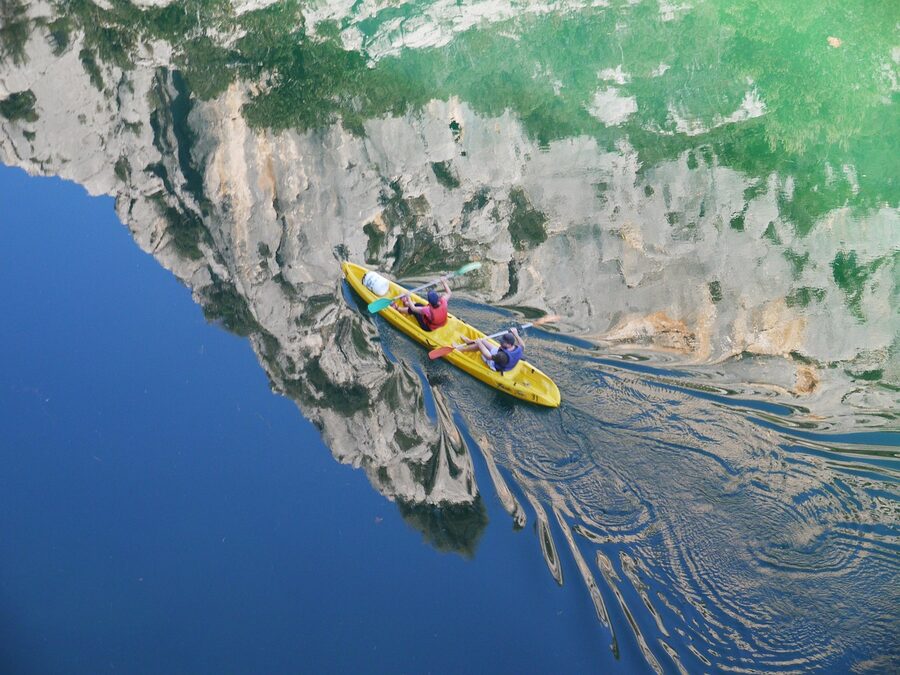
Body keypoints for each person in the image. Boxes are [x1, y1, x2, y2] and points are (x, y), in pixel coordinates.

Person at [454, 328, 524, 374]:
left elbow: (488, 356)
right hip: (500, 357)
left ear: (509, 344)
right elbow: (522, 344)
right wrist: (516, 334)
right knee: (483, 340)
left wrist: (479, 344)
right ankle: (469, 342)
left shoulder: (502, 356)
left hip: (495, 365)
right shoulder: (518, 347)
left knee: (479, 345)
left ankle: (461, 349)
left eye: (503, 342)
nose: (501, 343)